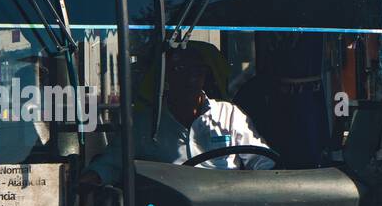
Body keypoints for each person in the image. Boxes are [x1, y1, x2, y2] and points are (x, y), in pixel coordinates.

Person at [81, 40, 276, 186]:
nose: (190, 77)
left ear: (206, 75)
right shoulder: (144, 123)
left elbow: (262, 160)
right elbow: (111, 164)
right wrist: (88, 181)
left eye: (197, 70)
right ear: (165, 75)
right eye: (180, 69)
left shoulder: (230, 115)